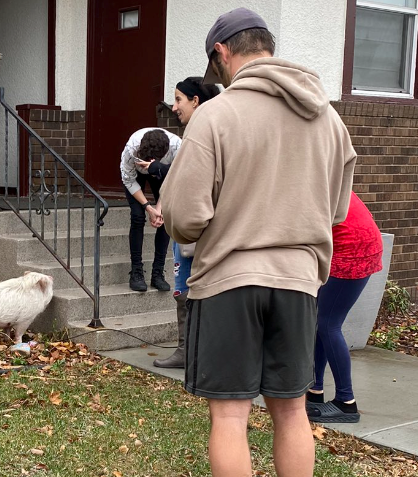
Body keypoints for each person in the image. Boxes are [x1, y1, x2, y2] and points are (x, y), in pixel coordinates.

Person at [161, 8, 356, 477]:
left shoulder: (215, 115)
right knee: (291, 411)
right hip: (298, 281)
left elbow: (185, 218)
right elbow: (337, 211)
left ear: (222, 52)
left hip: (228, 282)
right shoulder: (328, 118)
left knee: (230, 415)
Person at [145, 77, 219, 369]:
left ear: (195, 101)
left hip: (195, 233)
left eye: (178, 100)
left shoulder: (202, 134)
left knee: (190, 289)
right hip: (185, 234)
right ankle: (187, 350)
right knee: (182, 290)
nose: (173, 107)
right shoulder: (199, 132)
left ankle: (192, 352)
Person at [306, 192, 382, 423]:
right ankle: (314, 390)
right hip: (360, 245)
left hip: (352, 252)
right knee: (321, 322)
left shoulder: (307, 180)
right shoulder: (326, 173)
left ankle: (346, 403)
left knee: (329, 324)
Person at [120, 127, 180, 292]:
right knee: (137, 217)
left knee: (165, 217)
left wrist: (159, 209)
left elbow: (175, 180)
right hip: (135, 177)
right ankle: (136, 272)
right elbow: (129, 180)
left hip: (163, 175)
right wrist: (148, 207)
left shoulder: (177, 148)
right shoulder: (131, 148)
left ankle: (158, 273)